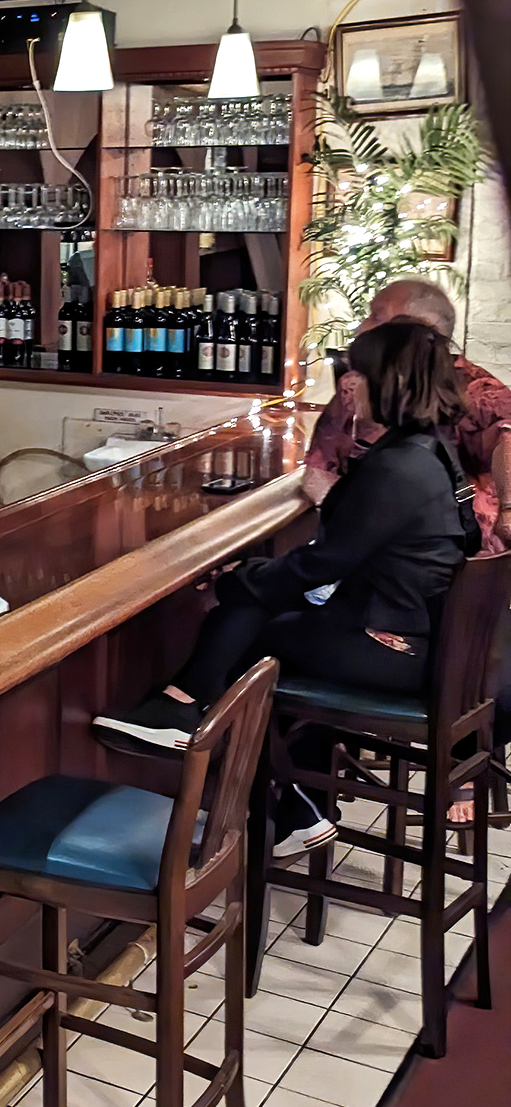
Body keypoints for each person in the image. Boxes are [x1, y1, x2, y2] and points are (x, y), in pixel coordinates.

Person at [94, 322, 471, 857]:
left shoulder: (399, 466)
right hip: (414, 635)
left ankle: (186, 712)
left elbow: (322, 564)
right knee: (257, 604)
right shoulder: (433, 451)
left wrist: (242, 576)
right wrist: (252, 576)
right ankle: (286, 799)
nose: (347, 386)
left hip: (391, 644)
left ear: (385, 380)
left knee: (254, 633)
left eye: (356, 373)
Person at [303, 277, 511, 553]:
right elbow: (319, 469)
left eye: (376, 317)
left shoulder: (474, 390)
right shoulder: (357, 388)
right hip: (371, 557)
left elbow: (506, 439)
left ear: (420, 331)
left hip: (453, 565)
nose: (362, 327)